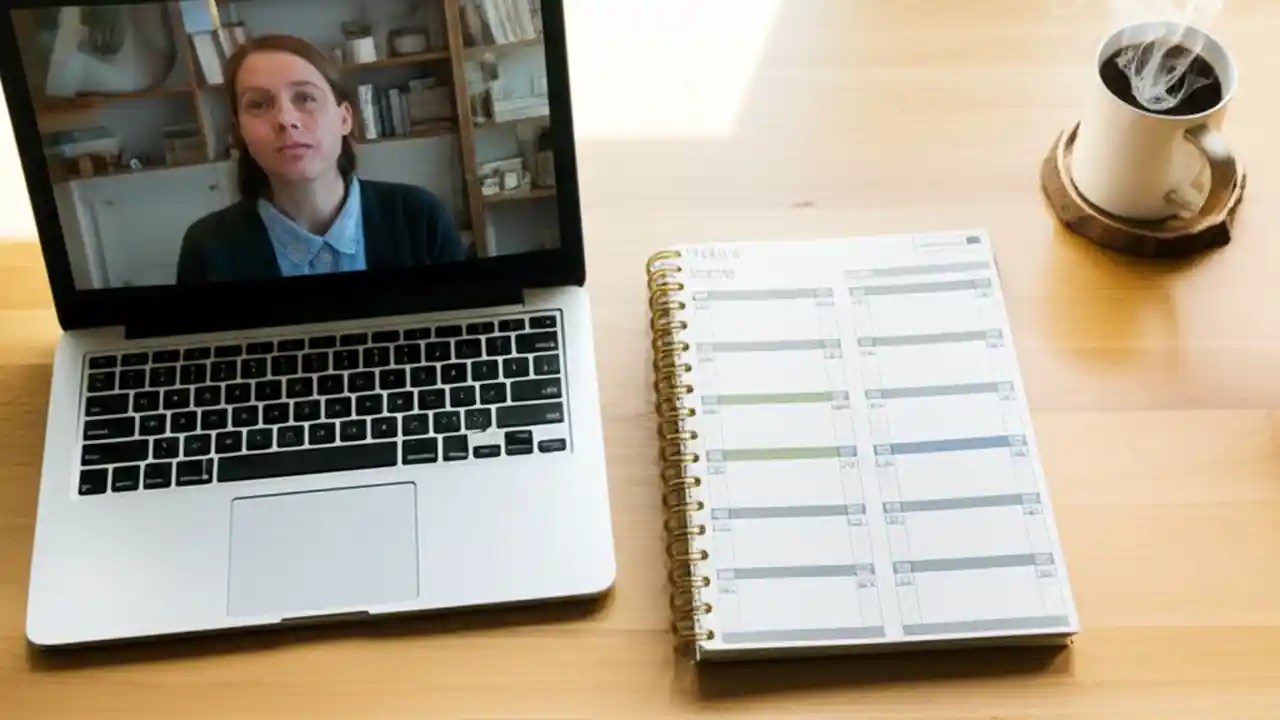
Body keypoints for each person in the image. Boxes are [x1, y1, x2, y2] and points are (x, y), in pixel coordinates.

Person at [176, 34, 465, 284]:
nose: (286, 120)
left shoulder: (418, 217)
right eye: (259, 104)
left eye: (305, 98)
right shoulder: (208, 247)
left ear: (344, 118)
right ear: (239, 132)